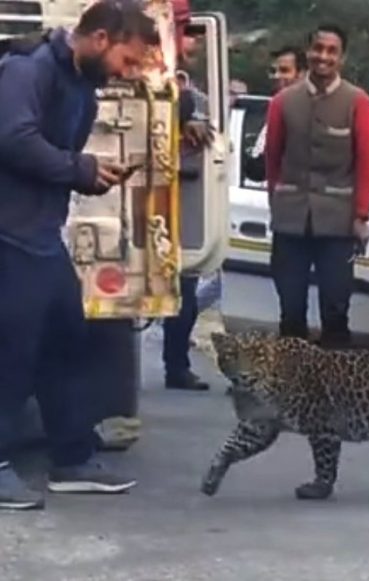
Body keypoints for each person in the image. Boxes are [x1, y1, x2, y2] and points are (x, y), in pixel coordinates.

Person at [0, 0, 159, 510]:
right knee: (11, 355)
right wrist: (78, 168)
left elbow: (59, 160)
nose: (128, 74)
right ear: (99, 39)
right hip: (7, 234)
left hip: (42, 236)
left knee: (68, 339)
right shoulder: (28, 70)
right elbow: (13, 139)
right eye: (128, 61)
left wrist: (92, 177)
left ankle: (71, 457)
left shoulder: (82, 87)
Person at [265, 24, 369, 349]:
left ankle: (334, 389)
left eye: (331, 51)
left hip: (337, 223)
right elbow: (273, 156)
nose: (323, 57)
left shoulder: (358, 102)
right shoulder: (283, 102)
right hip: (291, 220)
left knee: (336, 310)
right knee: (291, 311)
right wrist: (279, 199)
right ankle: (291, 389)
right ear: (308, 52)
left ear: (342, 58)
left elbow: (366, 163)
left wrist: (361, 214)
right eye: (318, 49)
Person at [162, 11, 213, 392]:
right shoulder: (151, 85)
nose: (188, 43)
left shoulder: (197, 98)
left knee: (187, 290)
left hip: (185, 198)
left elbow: (212, 142)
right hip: (148, 196)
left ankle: (176, 365)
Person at [246, 46, 308, 185]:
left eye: (284, 71)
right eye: (274, 71)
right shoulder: (276, 109)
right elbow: (257, 168)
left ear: (302, 74)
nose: (277, 76)